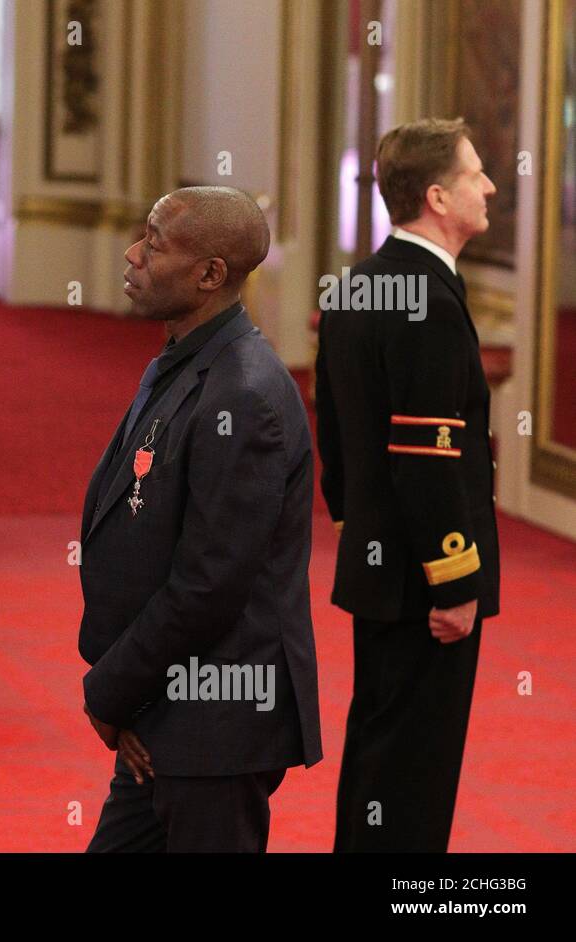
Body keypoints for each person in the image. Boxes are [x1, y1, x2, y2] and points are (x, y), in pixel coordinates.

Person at [78, 186, 322, 853]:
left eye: (154, 244)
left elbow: (208, 587)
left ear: (210, 274)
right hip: (165, 711)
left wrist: (110, 691)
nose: (132, 255)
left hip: (216, 725)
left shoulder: (244, 394)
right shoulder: (190, 361)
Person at [316, 117, 499, 852]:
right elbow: (428, 453)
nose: (487, 185)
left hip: (379, 566)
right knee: (415, 776)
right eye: (474, 174)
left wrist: (351, 525)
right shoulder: (429, 300)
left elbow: (335, 427)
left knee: (378, 758)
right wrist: (455, 579)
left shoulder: (358, 285)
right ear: (437, 198)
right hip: (427, 581)